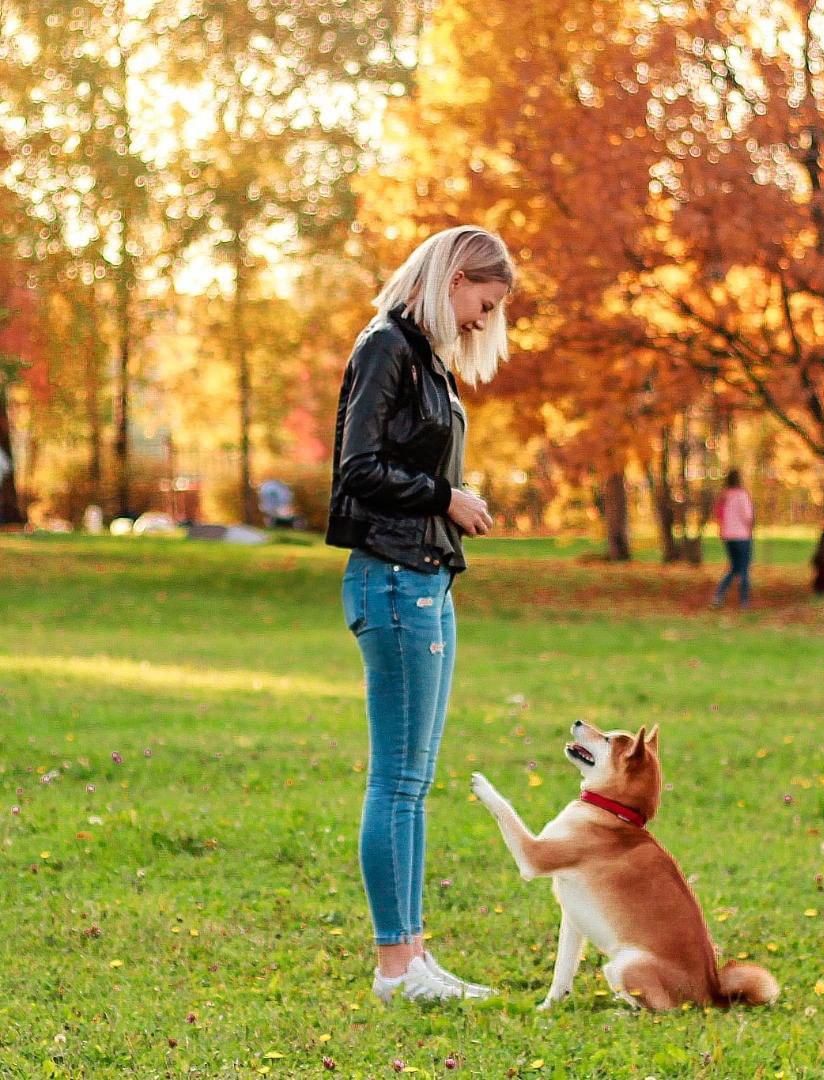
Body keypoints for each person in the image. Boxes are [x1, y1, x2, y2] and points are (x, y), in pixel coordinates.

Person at [326, 225, 514, 1003]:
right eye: (483, 301)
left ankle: (414, 958)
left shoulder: (426, 356)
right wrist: (445, 496)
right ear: (454, 274)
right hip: (394, 581)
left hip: (427, 579)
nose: (481, 319)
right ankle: (395, 968)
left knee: (415, 781)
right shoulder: (386, 348)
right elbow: (357, 469)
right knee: (399, 782)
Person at [710, 469, 754, 608]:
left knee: (734, 567)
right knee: (744, 569)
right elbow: (748, 516)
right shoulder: (742, 495)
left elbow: (718, 515)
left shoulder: (724, 496)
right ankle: (744, 601)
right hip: (742, 536)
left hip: (728, 536)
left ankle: (719, 595)